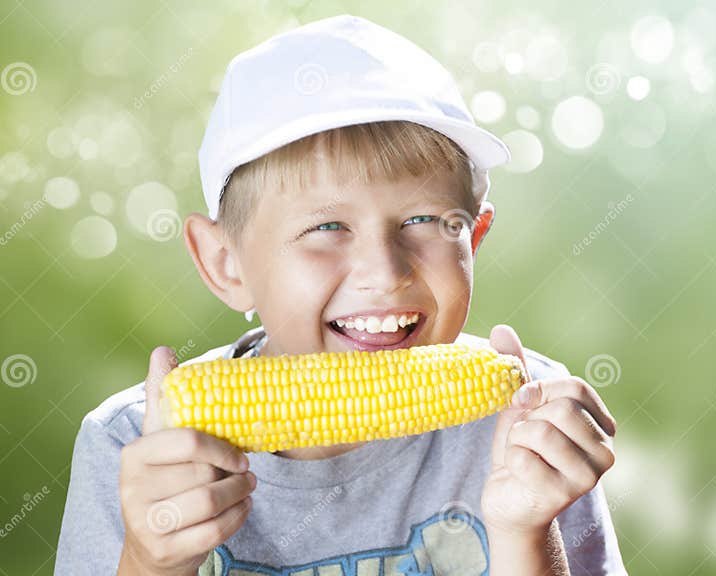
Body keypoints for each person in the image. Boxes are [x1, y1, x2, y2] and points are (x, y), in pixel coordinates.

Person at [55, 14, 627, 575]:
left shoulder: (533, 426)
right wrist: (151, 564)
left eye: (425, 220)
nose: (383, 271)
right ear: (225, 263)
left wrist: (526, 533)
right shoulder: (133, 444)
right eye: (326, 229)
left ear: (473, 240)